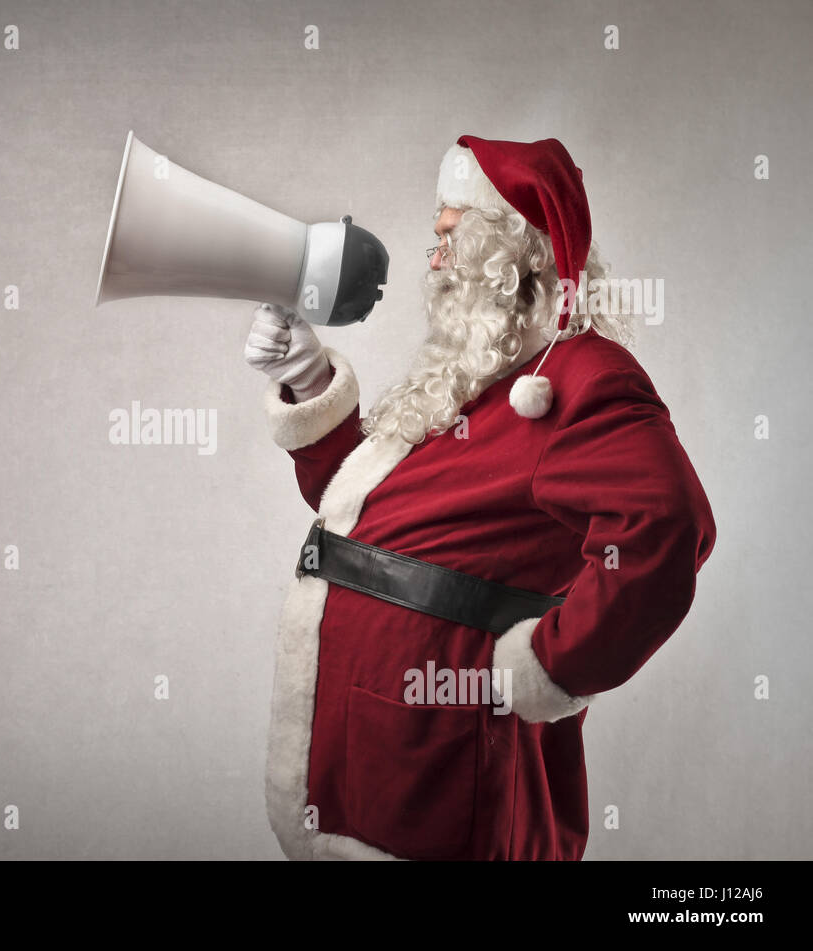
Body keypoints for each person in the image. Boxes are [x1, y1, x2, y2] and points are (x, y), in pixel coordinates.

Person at [244, 135, 716, 860]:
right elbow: (369, 519)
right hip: (361, 731)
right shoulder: (470, 368)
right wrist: (310, 379)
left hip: (440, 747)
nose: (431, 261)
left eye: (447, 237)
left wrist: (549, 665)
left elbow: (664, 528)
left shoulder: (585, 376)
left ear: (505, 247)